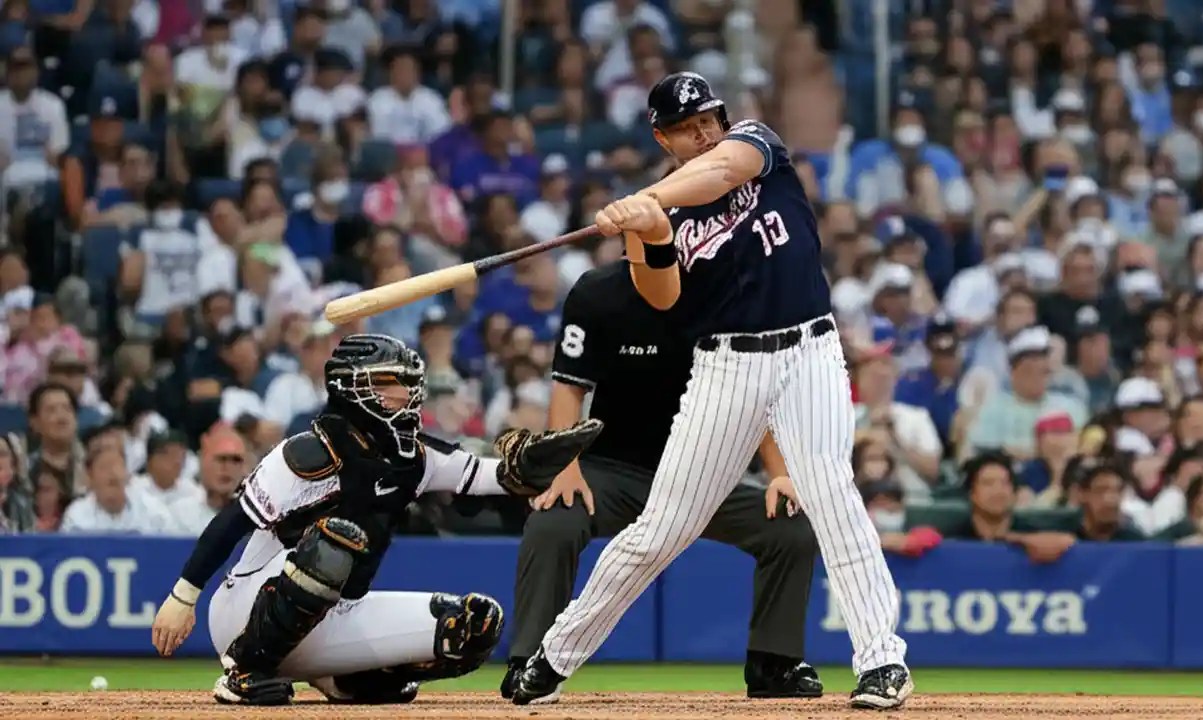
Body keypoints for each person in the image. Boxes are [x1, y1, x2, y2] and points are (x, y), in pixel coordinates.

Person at [509, 72, 912, 710]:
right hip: (727, 366)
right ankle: (555, 656)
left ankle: (881, 661)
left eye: (708, 119)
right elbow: (661, 297)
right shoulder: (664, 209)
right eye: (687, 126)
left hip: (809, 347)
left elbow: (723, 171)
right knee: (660, 530)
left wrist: (647, 198)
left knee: (830, 488)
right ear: (661, 135)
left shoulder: (754, 143)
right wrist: (647, 230)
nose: (702, 132)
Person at [148, 334, 603, 706]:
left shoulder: (414, 456)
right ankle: (245, 672)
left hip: (339, 614)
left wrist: (537, 462)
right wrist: (182, 597)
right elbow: (232, 521)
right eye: (389, 383)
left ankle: (344, 681)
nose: (404, 396)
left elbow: (492, 476)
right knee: (335, 542)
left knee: (473, 625)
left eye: (406, 384)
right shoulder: (307, 452)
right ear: (351, 389)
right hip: (244, 612)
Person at [502, 259, 822, 703]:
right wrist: (564, 463)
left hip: (703, 474)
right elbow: (568, 386)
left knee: (789, 526)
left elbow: (757, 399)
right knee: (554, 518)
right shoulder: (597, 292)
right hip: (610, 473)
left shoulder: (728, 293)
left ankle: (775, 664)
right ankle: (529, 662)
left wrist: (781, 475)